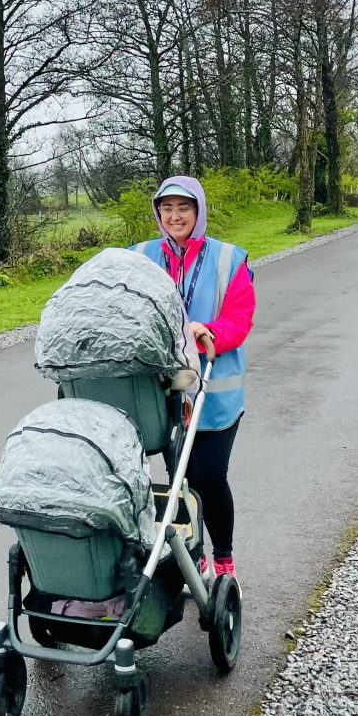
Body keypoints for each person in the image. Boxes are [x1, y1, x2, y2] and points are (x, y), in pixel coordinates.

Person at [133, 177, 256, 591]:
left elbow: (240, 320)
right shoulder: (141, 257)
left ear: (198, 211)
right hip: (164, 396)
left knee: (208, 477)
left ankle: (223, 560)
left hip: (214, 394)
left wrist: (211, 332)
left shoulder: (228, 259)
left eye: (183, 208)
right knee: (177, 483)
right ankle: (192, 558)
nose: (174, 217)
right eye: (166, 208)